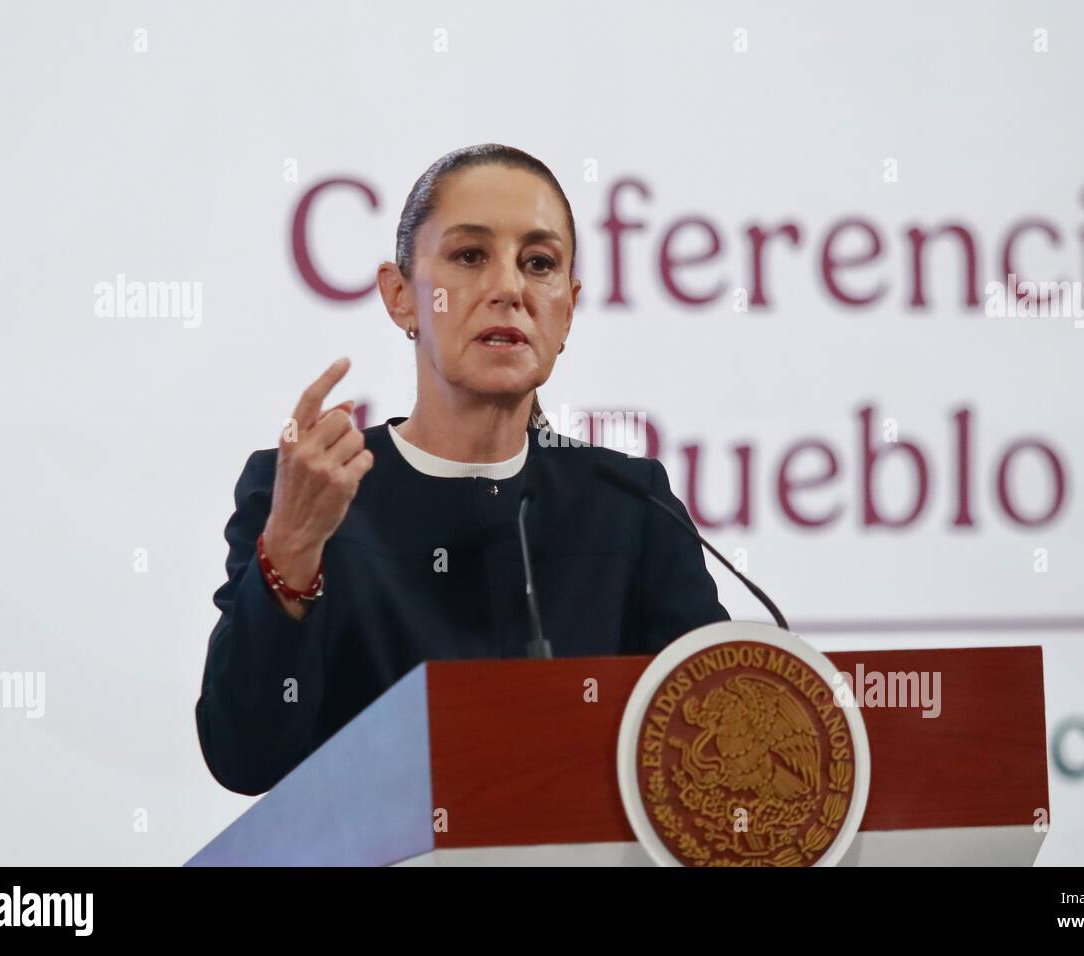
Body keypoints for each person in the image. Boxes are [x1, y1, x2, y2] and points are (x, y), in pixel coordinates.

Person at [195, 144, 729, 796]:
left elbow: (715, 749)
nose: (509, 289)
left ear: (568, 310)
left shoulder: (628, 505)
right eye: (470, 256)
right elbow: (246, 758)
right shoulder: (314, 493)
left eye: (539, 264)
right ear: (400, 297)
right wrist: (294, 547)